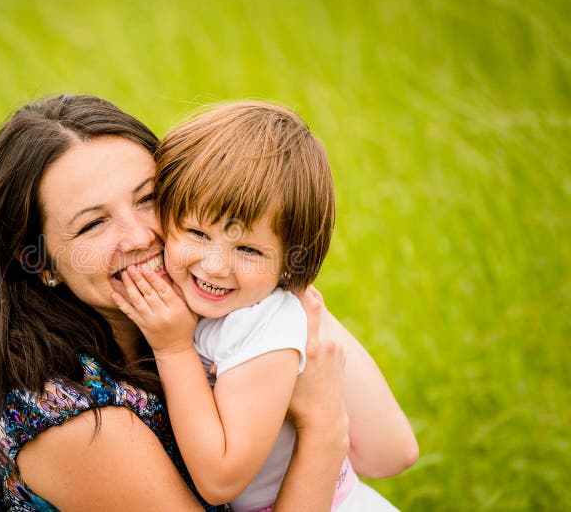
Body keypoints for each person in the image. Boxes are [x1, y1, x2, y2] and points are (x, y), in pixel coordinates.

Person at [0, 95, 412, 510]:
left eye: (149, 198)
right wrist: (324, 425)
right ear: (41, 262)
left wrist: (285, 292)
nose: (141, 235)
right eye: (92, 225)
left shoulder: (210, 306)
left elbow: (393, 451)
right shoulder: (72, 415)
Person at [113, 102, 417, 511]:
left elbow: (221, 478)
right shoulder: (205, 300)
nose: (216, 265)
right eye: (198, 232)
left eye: (249, 249)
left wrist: (175, 350)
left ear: (291, 263)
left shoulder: (264, 324)